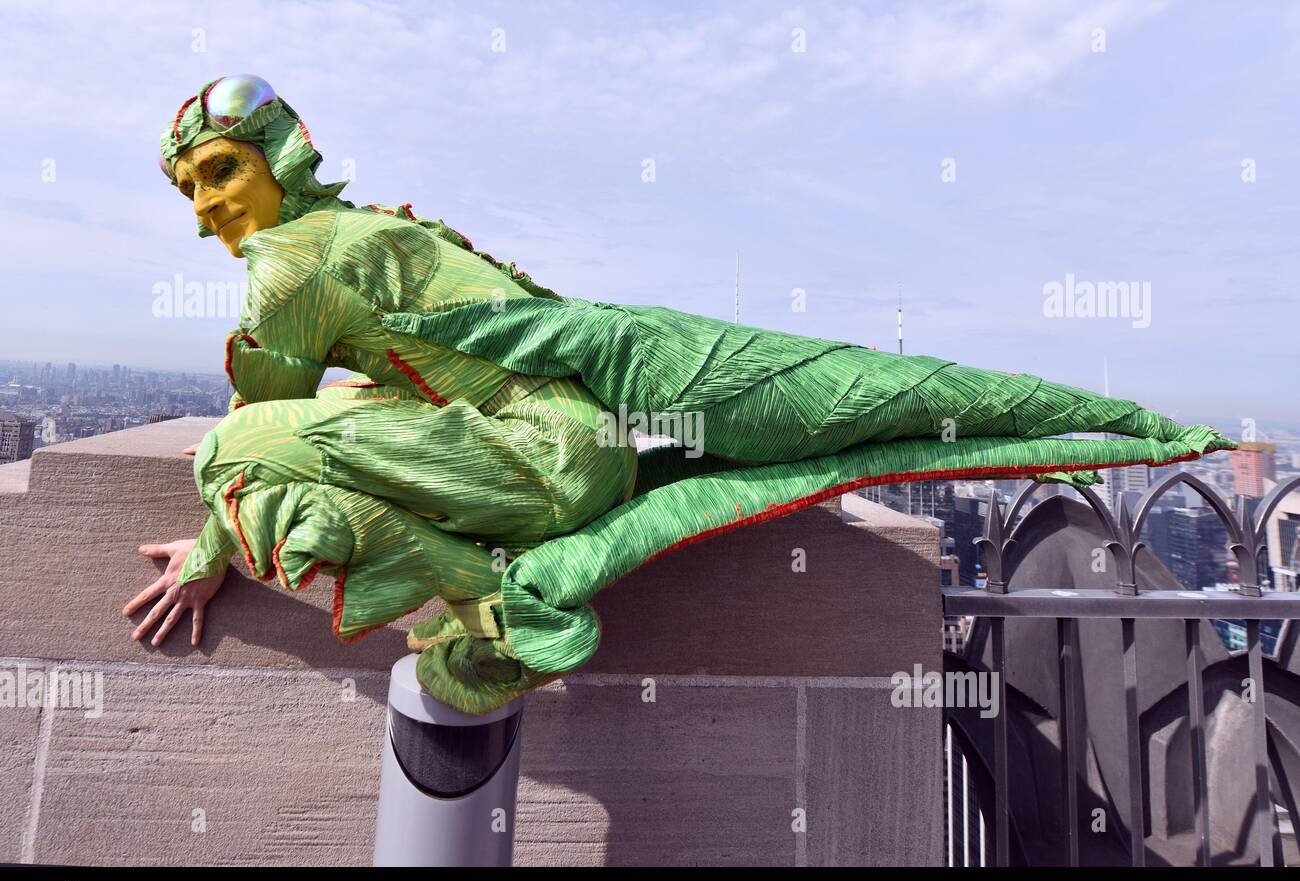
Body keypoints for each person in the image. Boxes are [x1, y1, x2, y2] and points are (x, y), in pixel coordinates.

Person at [126, 75, 1237, 715]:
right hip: (581, 446)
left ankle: (494, 607)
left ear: (279, 156)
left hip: (539, 468)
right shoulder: (373, 232)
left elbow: (257, 423)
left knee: (226, 462)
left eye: (220, 172)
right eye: (190, 188)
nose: (204, 209)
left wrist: (213, 546)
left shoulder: (289, 266)